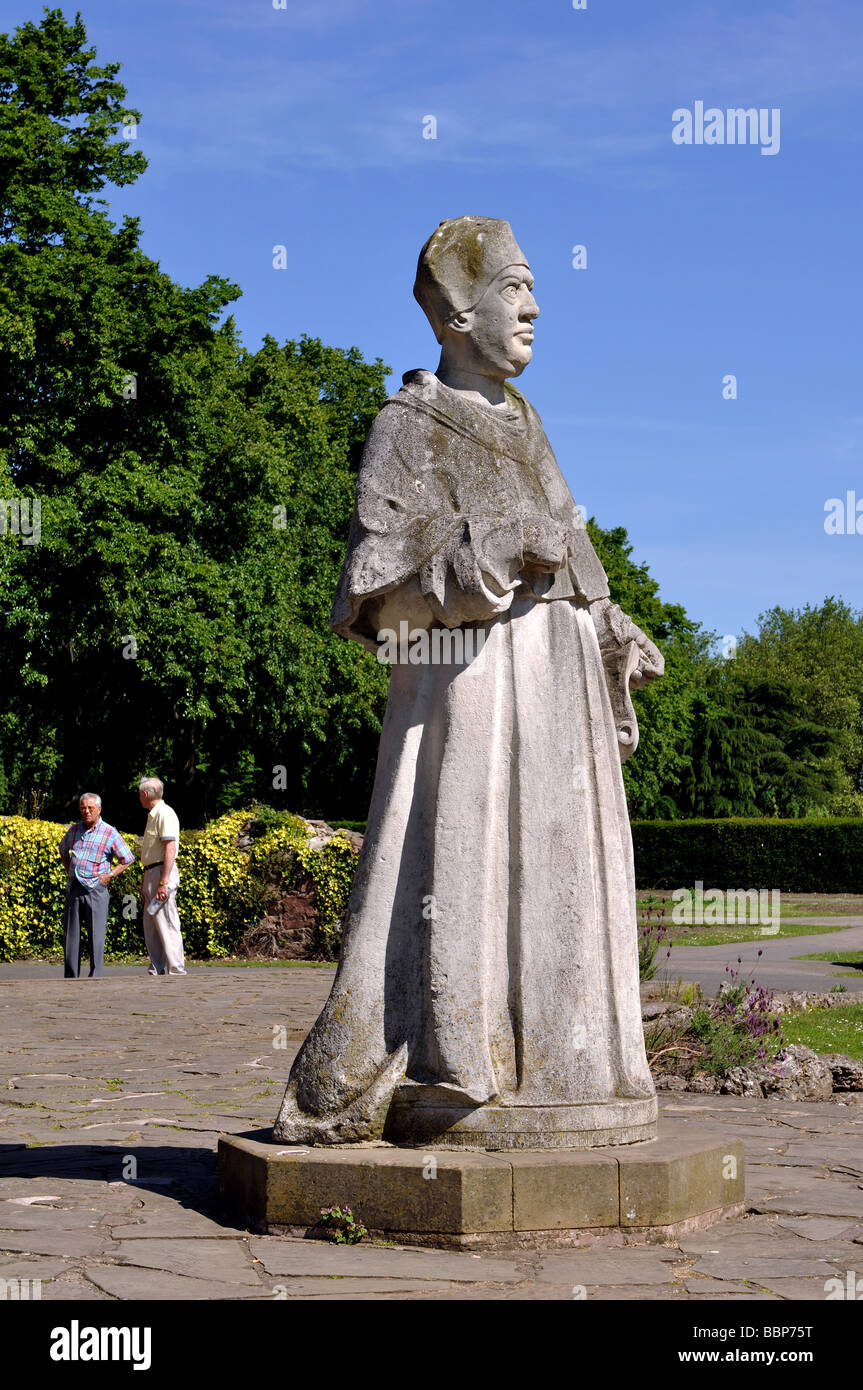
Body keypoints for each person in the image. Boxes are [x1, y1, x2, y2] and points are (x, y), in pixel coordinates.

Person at [274, 217, 664, 1149]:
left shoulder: (530, 427)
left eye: (534, 290)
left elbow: (575, 566)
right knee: (474, 878)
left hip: (559, 694)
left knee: (561, 878)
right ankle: (463, 1073)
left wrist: (610, 626)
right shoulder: (406, 428)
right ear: (456, 311)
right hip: (473, 696)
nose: (533, 306)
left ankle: (571, 1072)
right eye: (514, 288)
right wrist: (483, 554)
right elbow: (377, 599)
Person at [58, 794, 134, 978]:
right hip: (75, 888)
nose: (86, 811)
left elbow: (128, 858)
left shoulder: (109, 832)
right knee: (71, 936)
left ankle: (95, 976)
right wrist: (70, 870)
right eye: (83, 808)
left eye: (90, 808)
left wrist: (109, 875)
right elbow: (62, 850)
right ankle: (71, 977)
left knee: (96, 936)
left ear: (99, 809)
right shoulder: (74, 830)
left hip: (96, 889)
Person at [138, 776, 186, 977]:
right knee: (152, 923)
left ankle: (176, 968)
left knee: (167, 921)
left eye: (140, 793)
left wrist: (163, 882)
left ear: (146, 794)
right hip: (152, 872)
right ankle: (157, 967)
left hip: (161, 873)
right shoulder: (154, 814)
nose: (139, 797)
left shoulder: (165, 814)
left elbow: (170, 848)